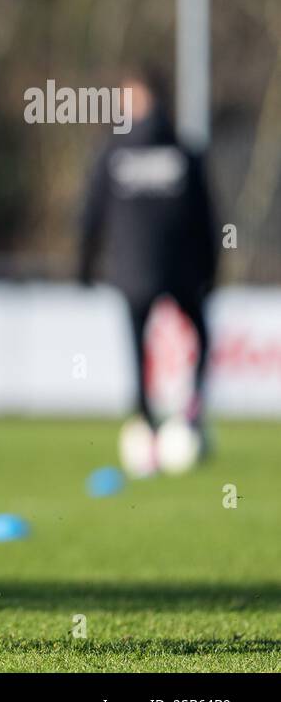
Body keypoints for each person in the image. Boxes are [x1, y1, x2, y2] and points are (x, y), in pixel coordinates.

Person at [79, 71, 217, 465]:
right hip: (178, 270)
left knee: (140, 346)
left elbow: (90, 215)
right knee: (196, 335)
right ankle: (184, 413)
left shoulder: (114, 151)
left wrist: (83, 267)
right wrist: (211, 270)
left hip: (135, 271)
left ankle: (147, 420)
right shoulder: (183, 151)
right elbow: (208, 218)